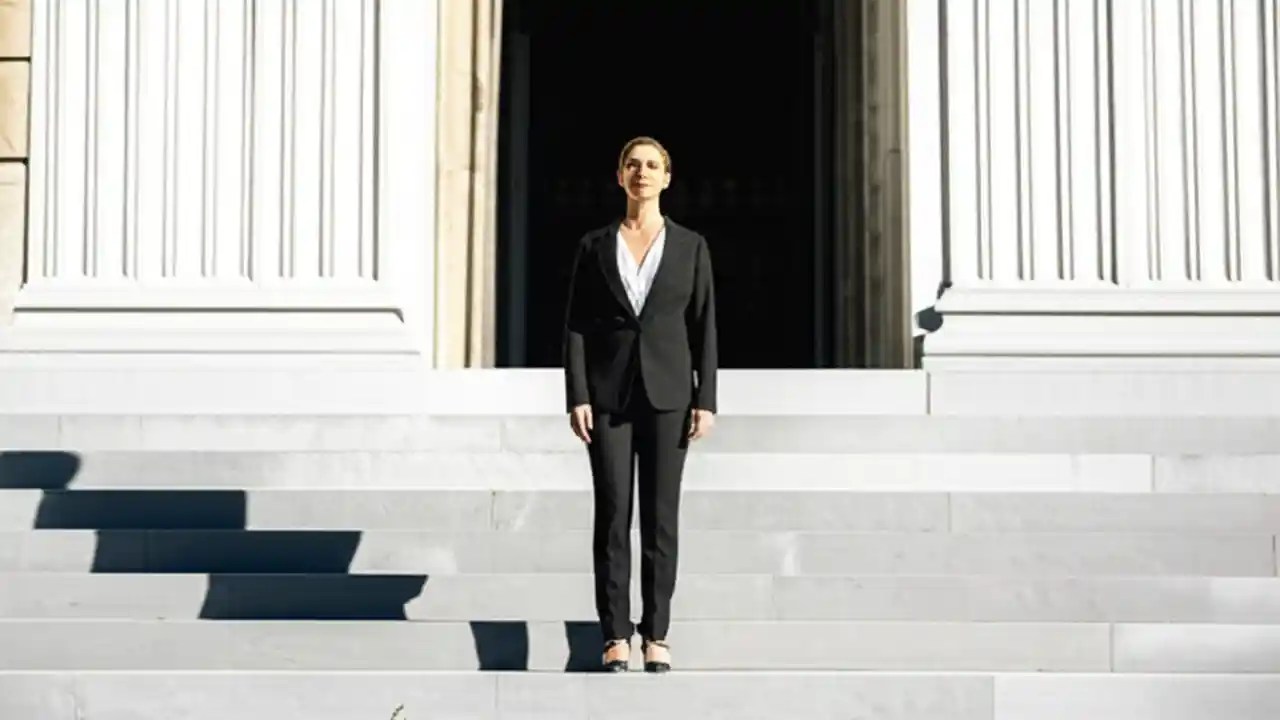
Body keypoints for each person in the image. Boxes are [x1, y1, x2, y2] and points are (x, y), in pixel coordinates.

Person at [562, 136, 718, 673]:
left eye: (652, 165)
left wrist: (707, 398)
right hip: (607, 398)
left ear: (667, 178)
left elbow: (704, 326)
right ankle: (614, 634)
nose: (642, 172)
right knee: (611, 516)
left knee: (660, 518)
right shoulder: (594, 245)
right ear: (619, 175)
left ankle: (657, 633)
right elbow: (576, 326)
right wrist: (577, 393)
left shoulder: (691, 246)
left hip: (670, 395)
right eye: (633, 164)